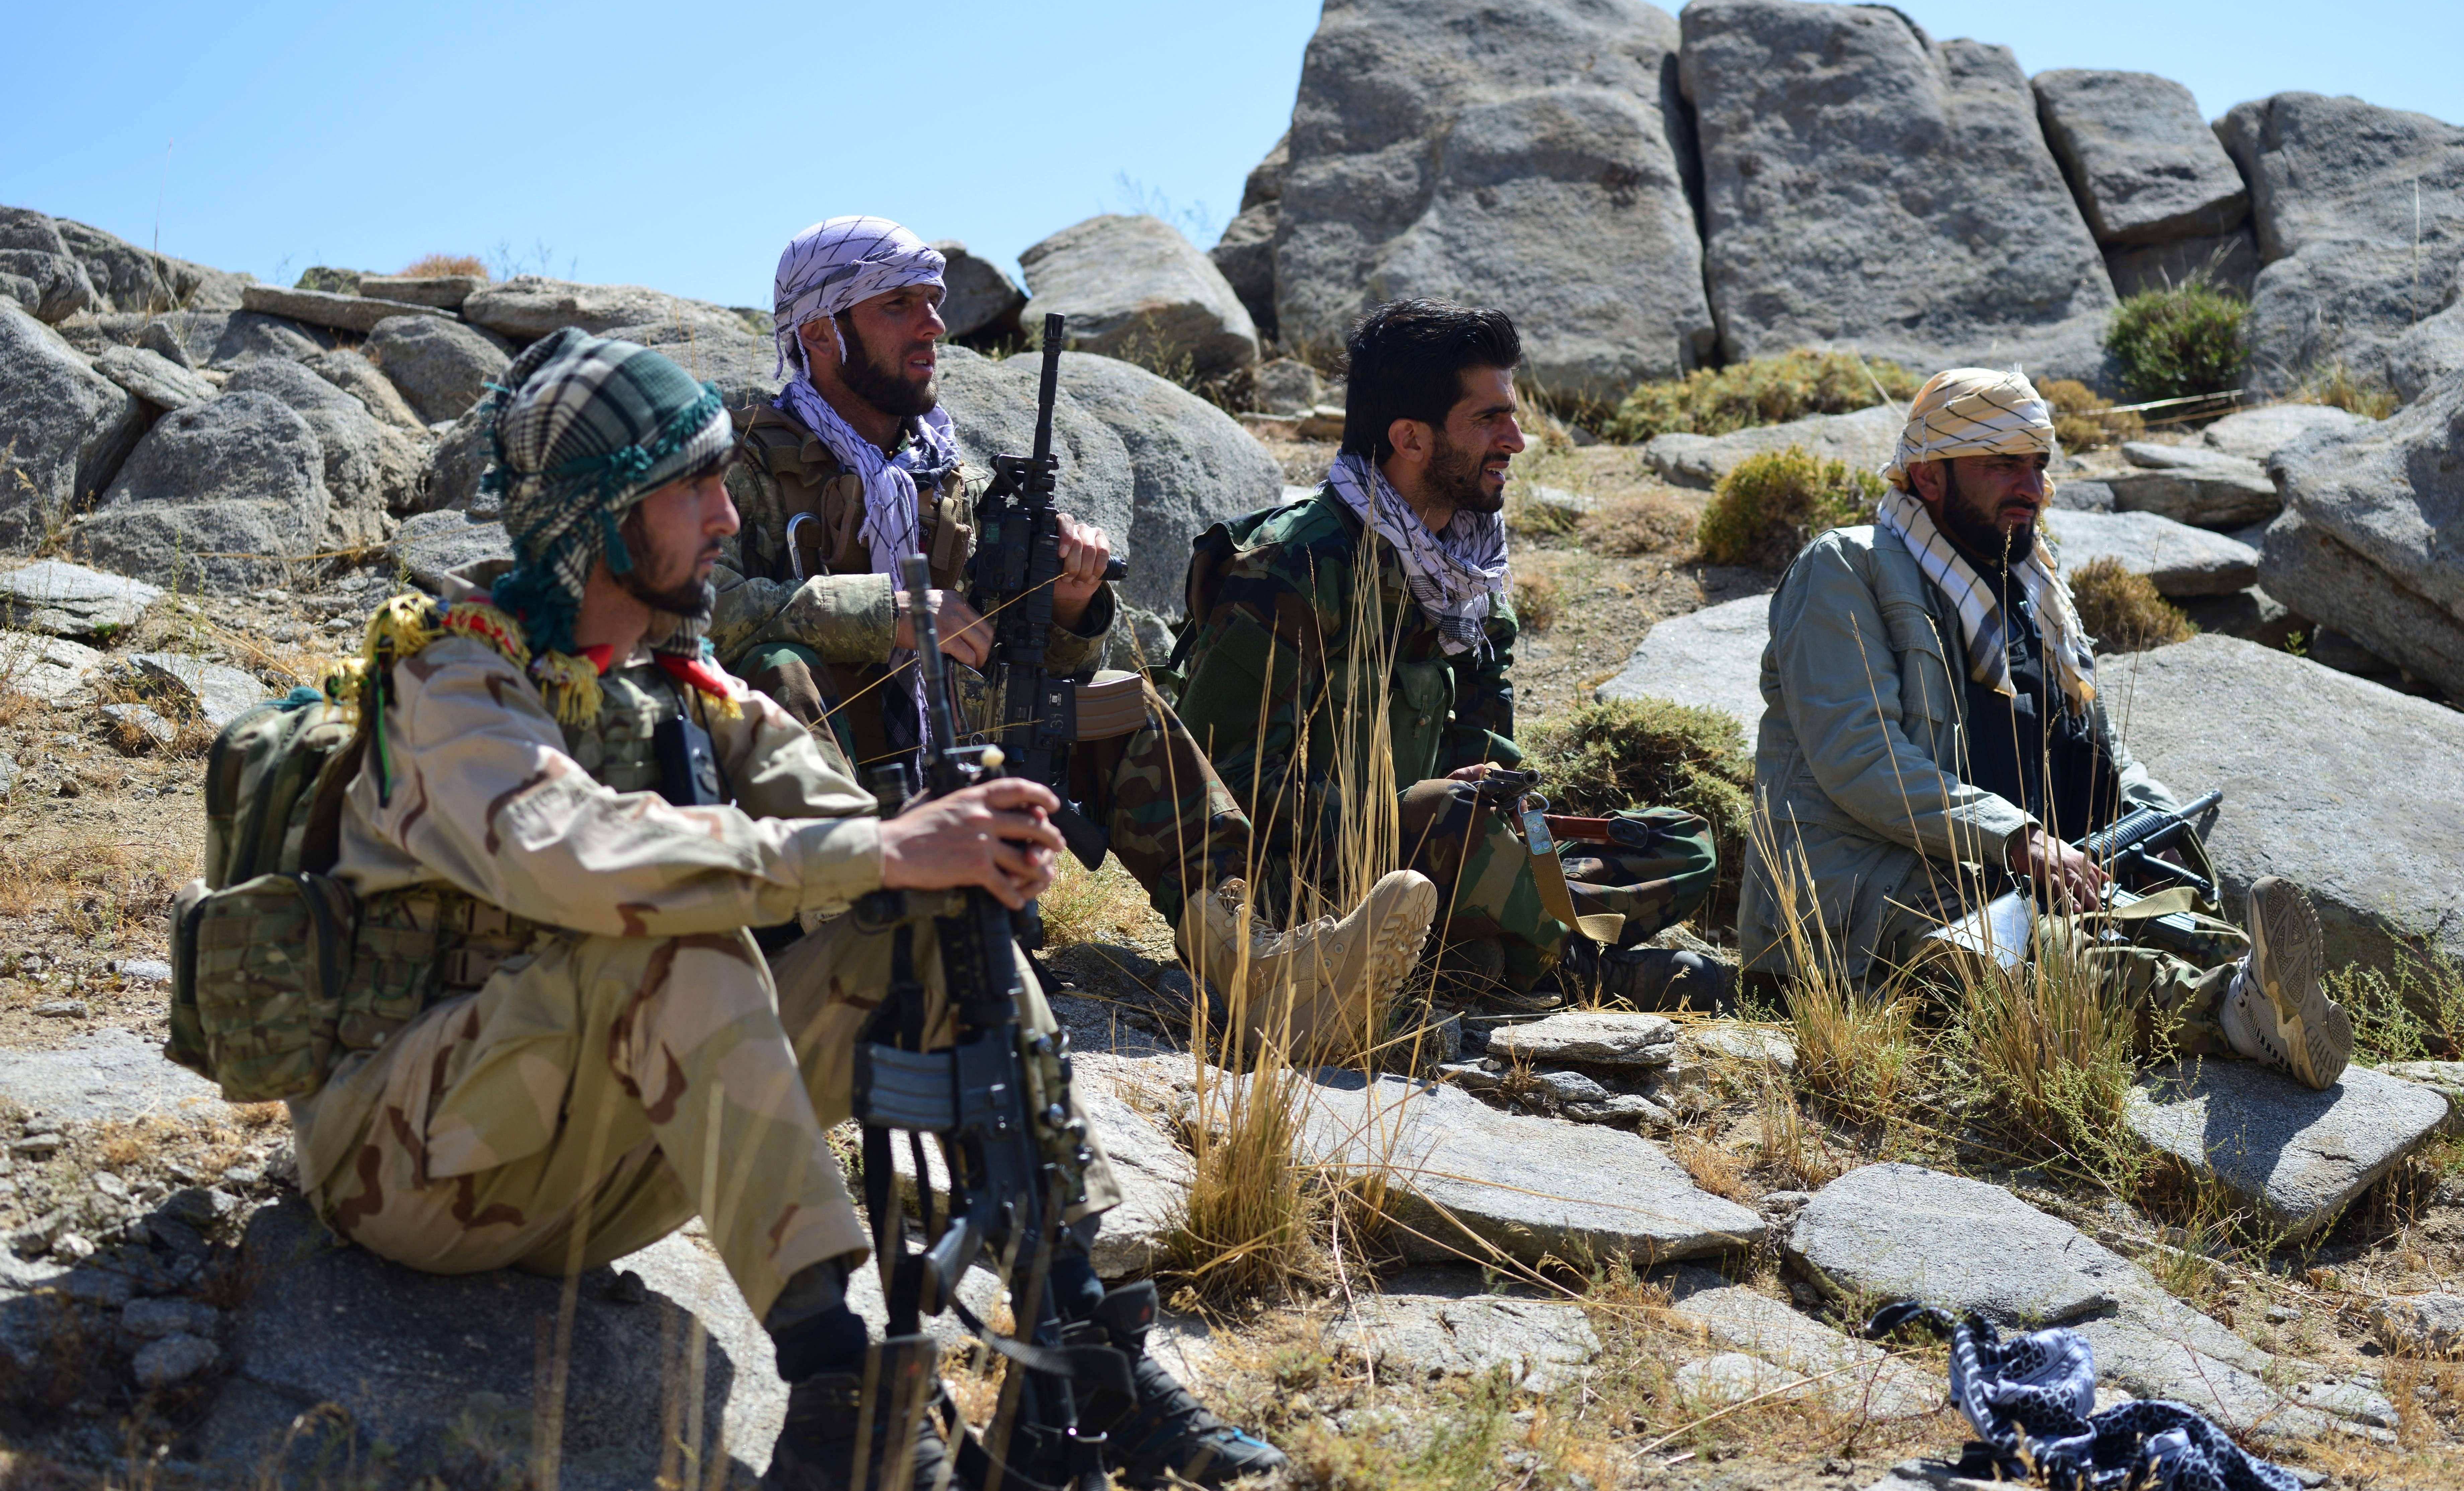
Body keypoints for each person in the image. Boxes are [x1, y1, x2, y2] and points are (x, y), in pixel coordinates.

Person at [289, 327, 1283, 1489]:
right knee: (683, 944)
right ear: (598, 515)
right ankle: (839, 1389)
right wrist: (880, 844)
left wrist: (962, 850)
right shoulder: (454, 676)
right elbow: (575, 856)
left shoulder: (683, 683)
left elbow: (846, 831)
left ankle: (1084, 1333)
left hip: (599, 1163)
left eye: (724, 480)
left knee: (935, 921)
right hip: (405, 1163)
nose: (725, 515)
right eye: (694, 487)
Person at [710, 217, 1435, 1056]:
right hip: (805, 781)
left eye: (935, 303)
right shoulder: (744, 465)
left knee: (1118, 705)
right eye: (899, 305)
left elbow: (1024, 662)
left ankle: (1256, 964)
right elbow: (703, 610)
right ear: (819, 333)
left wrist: (1066, 610)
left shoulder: (940, 477)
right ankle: (852, 968)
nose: (933, 326)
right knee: (776, 668)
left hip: (943, 750)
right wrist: (887, 610)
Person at [1737, 366, 2354, 1089]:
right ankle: (2230, 1014)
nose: (2029, 488)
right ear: (1928, 477)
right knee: (2038, 953)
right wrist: (2020, 840)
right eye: (2001, 464)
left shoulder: (2032, 587)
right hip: (1871, 902)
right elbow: (1859, 758)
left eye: (2037, 465)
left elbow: (2092, 739)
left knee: (2177, 920)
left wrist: (2154, 818)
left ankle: (2266, 997)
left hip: (2040, 868)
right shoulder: (1847, 568)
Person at [1169, 299, 1722, 1010]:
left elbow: (1489, 732)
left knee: (1680, 839)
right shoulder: (1292, 567)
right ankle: (1570, 969)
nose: (1516, 441)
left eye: (1512, 416)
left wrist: (1491, 784)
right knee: (1456, 818)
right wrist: (1405, 816)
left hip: (1445, 844)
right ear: (1409, 438)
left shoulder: (1469, 569)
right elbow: (1225, 778)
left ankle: (1485, 951)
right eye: (1488, 419)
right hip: (1307, 876)